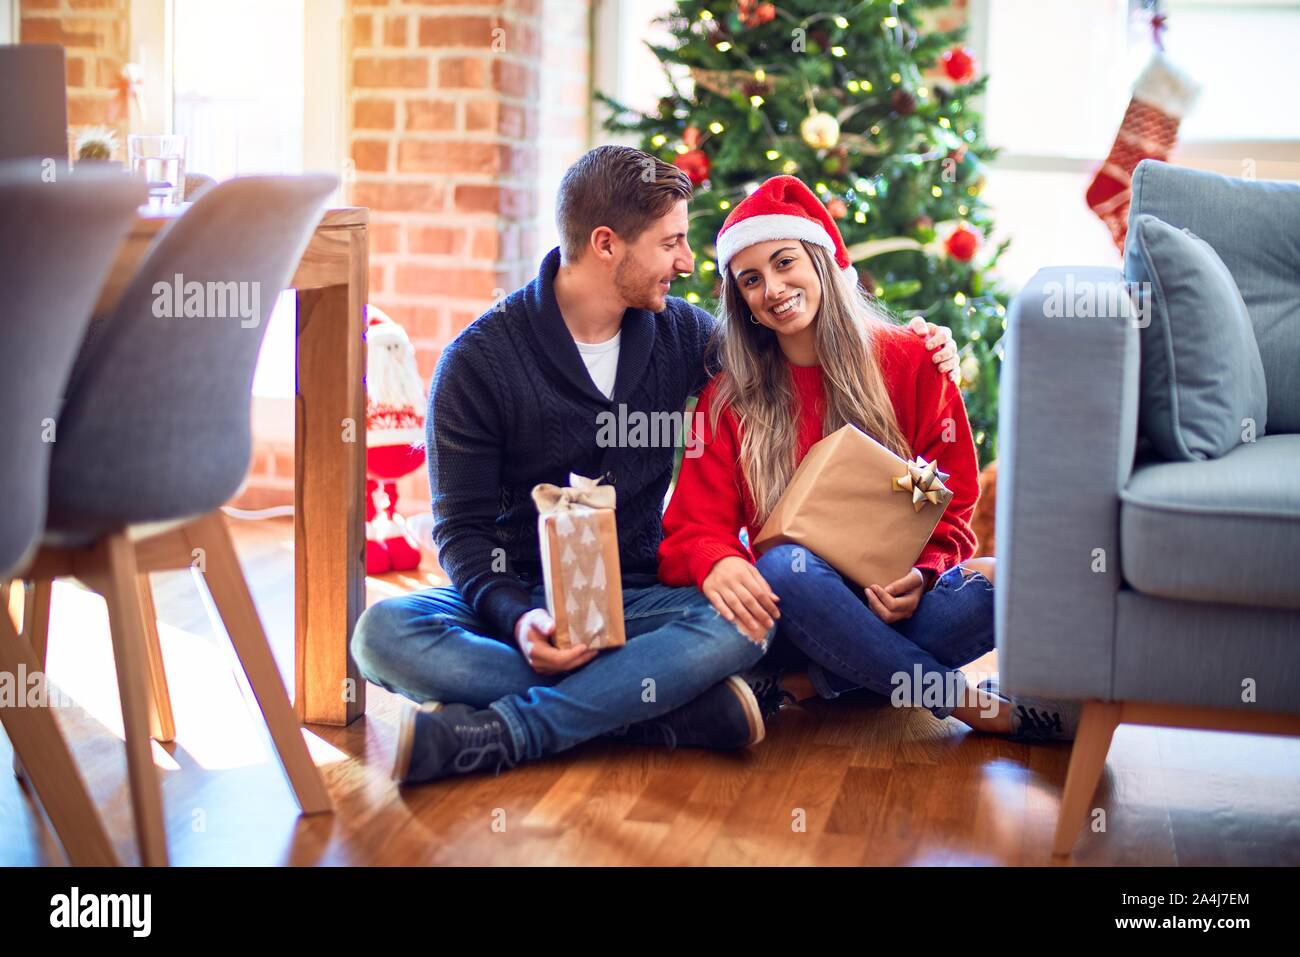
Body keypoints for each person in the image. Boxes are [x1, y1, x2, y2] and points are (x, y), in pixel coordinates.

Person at [350, 148, 962, 786]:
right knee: (382, 633)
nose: (687, 262)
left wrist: (916, 343)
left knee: (742, 627)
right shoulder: (479, 362)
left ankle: (522, 728)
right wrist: (518, 616)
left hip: (640, 594)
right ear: (607, 243)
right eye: (672, 242)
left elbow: (795, 343)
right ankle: (665, 710)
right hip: (515, 598)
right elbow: (460, 531)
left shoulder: (680, 335)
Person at [658, 175, 1079, 741]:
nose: (773, 289)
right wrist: (719, 561)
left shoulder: (913, 360)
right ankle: (979, 708)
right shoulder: (730, 398)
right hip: (797, 608)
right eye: (751, 280)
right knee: (788, 564)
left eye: (786, 263)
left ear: (823, 261)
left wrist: (923, 572)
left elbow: (950, 500)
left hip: (896, 599)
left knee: (1005, 586)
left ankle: (803, 687)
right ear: (743, 303)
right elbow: (690, 528)